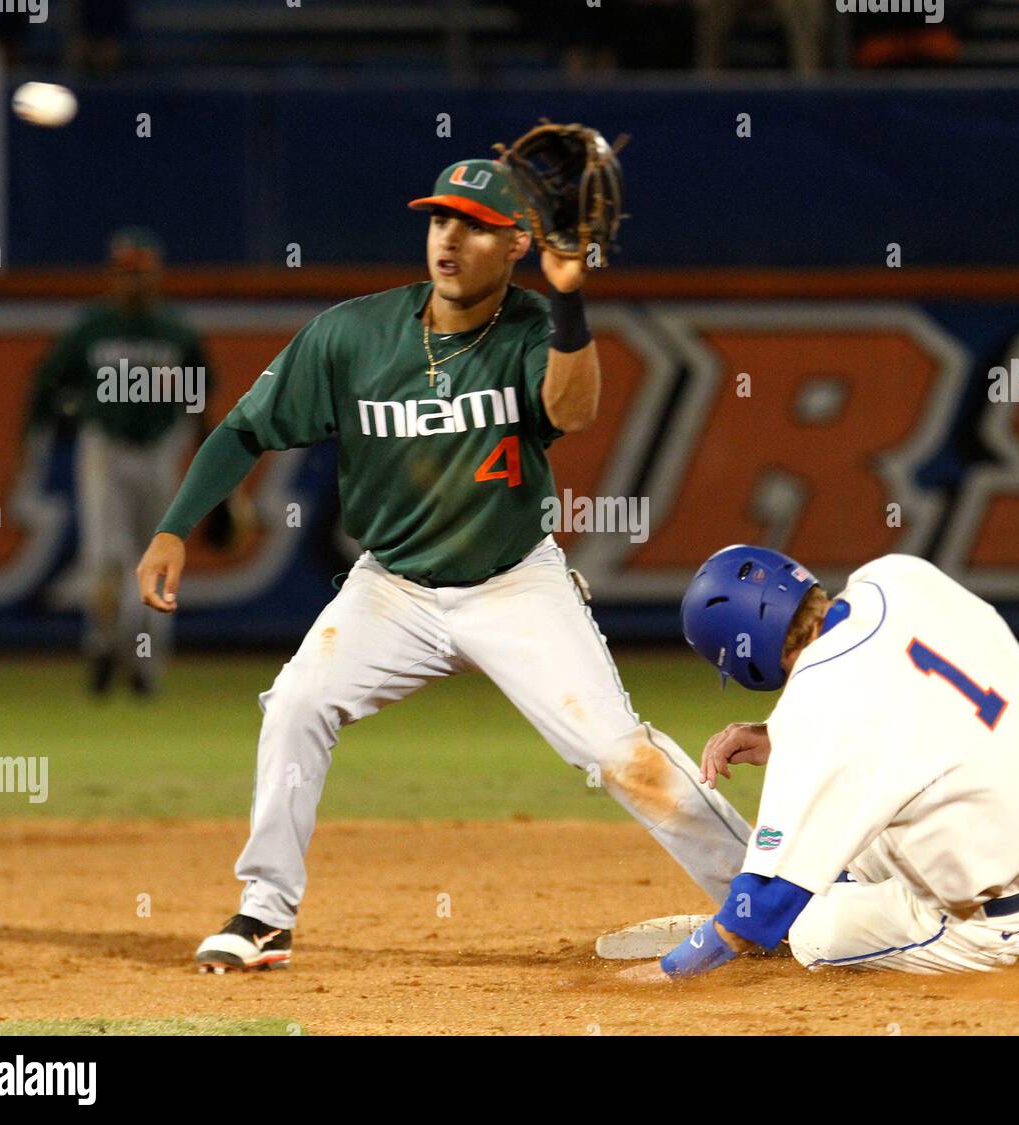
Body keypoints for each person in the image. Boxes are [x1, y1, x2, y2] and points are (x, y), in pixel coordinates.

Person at [134, 158, 750, 972]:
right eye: (438, 220)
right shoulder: (353, 334)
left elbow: (573, 409)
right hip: (391, 586)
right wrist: (175, 527)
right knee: (296, 703)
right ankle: (263, 913)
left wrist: (569, 298)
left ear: (517, 244)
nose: (448, 238)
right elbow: (246, 428)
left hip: (513, 583)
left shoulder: (534, 326)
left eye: (472, 224)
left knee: (617, 753)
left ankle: (765, 894)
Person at [627, 546, 1019, 982]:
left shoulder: (816, 710)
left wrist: (674, 969)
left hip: (1008, 915)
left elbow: (758, 909)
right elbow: (910, 692)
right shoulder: (898, 575)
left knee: (810, 930)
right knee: (852, 828)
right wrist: (781, 735)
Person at [23, 227, 211, 697]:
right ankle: (104, 645)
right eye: (126, 273)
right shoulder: (91, 329)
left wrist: (215, 472)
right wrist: (36, 448)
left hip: (162, 449)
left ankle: (146, 666)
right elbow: (45, 388)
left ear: (157, 274)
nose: (134, 282)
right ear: (112, 275)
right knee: (107, 558)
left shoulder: (177, 331)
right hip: (105, 447)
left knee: (161, 558)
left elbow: (201, 400)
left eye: (141, 273)